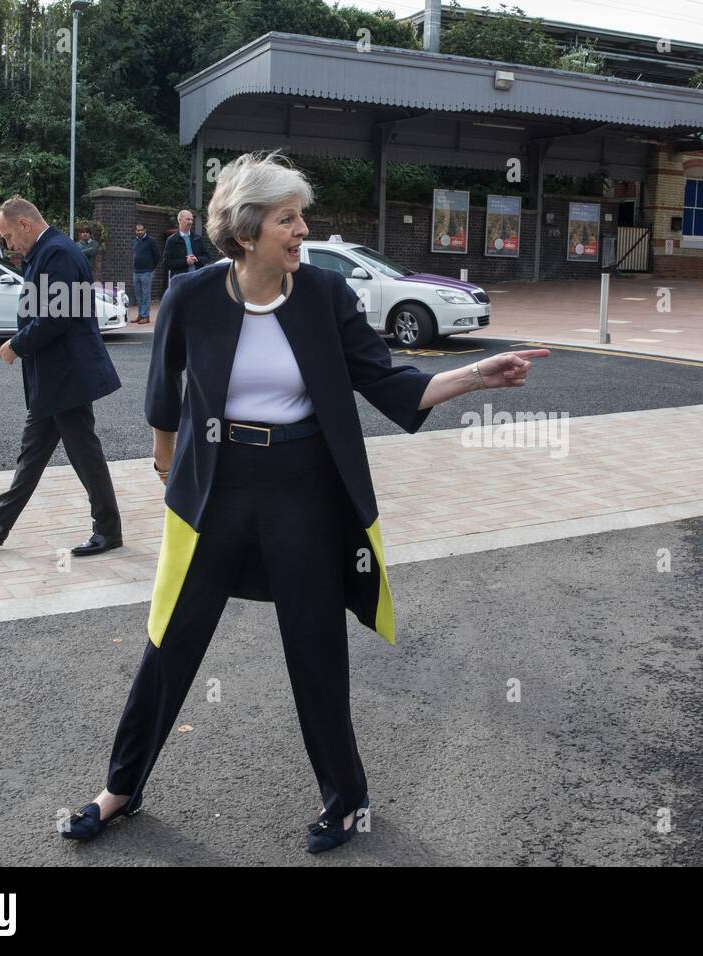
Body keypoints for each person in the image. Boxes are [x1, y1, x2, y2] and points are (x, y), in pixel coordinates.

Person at [60, 150, 548, 854]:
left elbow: (388, 384)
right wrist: (171, 475)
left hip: (302, 487)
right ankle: (121, 788)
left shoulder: (323, 295)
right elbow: (162, 403)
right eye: (288, 219)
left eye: (301, 216)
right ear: (247, 229)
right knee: (171, 637)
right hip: (214, 490)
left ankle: (346, 799)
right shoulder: (193, 297)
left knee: (314, 647)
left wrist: (477, 375)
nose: (302, 229)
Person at [0, 196, 123, 556]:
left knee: (85, 455)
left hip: (66, 376)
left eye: (8, 235)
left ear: (25, 224)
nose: (7, 244)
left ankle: (108, 530)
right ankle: (0, 519)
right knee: (33, 452)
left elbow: (58, 316)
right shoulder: (46, 251)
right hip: (55, 376)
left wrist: (17, 344)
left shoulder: (58, 252)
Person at [162, 209, 208, 281]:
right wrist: (185, 262)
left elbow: (207, 257)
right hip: (180, 280)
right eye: (188, 219)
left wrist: (197, 259)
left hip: (197, 278)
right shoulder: (171, 240)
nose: (190, 222)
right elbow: (167, 262)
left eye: (191, 220)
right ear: (179, 220)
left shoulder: (197, 238)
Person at [130, 222, 158, 324]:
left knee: (146, 294)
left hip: (147, 272)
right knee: (138, 295)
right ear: (135, 231)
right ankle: (140, 315)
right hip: (136, 272)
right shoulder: (134, 242)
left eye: (141, 230)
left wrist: (151, 267)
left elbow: (157, 256)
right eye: (138, 230)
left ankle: (146, 316)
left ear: (145, 230)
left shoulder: (151, 241)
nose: (140, 232)